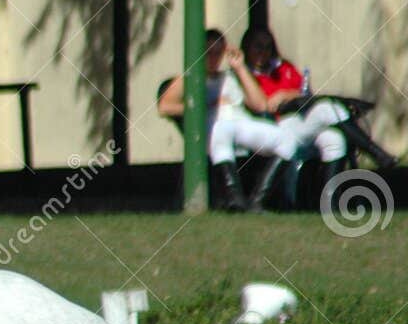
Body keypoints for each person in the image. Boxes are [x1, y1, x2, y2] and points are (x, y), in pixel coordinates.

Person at [241, 26, 396, 195]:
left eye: (268, 47)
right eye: (258, 46)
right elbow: (264, 105)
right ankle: (375, 152)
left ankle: (329, 201)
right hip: (278, 126)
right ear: (247, 47)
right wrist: (282, 97)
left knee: (334, 138)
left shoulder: (283, 68)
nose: (263, 52)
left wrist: (284, 94)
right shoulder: (245, 74)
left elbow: (305, 94)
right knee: (325, 109)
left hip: (302, 121)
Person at [159, 29, 296, 212]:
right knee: (222, 130)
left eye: (218, 53)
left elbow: (261, 105)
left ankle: (258, 200)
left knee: (287, 140)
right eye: (208, 52)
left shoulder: (231, 77)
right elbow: (165, 106)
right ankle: (234, 198)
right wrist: (204, 108)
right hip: (214, 126)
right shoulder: (190, 78)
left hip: (240, 122)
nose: (213, 58)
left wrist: (240, 68)